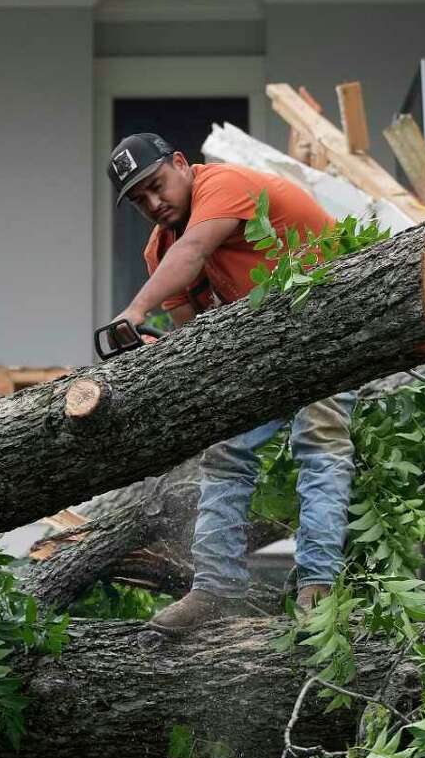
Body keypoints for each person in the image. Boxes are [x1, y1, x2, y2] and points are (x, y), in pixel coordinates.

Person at [105, 132, 354, 637]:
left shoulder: (222, 183)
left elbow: (196, 249)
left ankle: (318, 586)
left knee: (319, 442)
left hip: (328, 325)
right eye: (139, 200)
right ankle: (215, 589)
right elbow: (200, 337)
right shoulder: (161, 252)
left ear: (181, 162)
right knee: (224, 448)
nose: (153, 204)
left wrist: (134, 311)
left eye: (156, 186)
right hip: (267, 346)